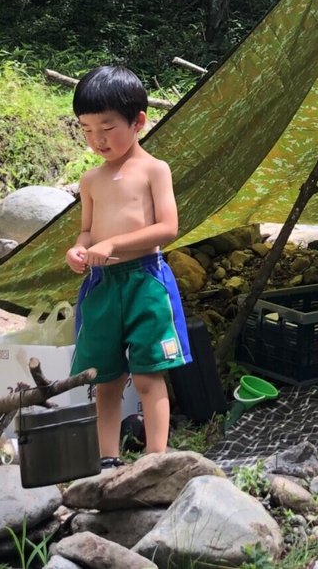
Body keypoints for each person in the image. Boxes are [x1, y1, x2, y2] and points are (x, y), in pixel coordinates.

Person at [65, 66, 192, 469]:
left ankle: (156, 459)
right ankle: (108, 459)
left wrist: (113, 244)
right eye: (86, 130)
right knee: (105, 378)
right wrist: (79, 249)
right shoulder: (91, 179)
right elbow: (87, 230)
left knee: (149, 374)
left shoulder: (155, 170)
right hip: (102, 284)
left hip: (145, 281)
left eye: (107, 128)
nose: (97, 140)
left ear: (138, 121)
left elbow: (167, 228)